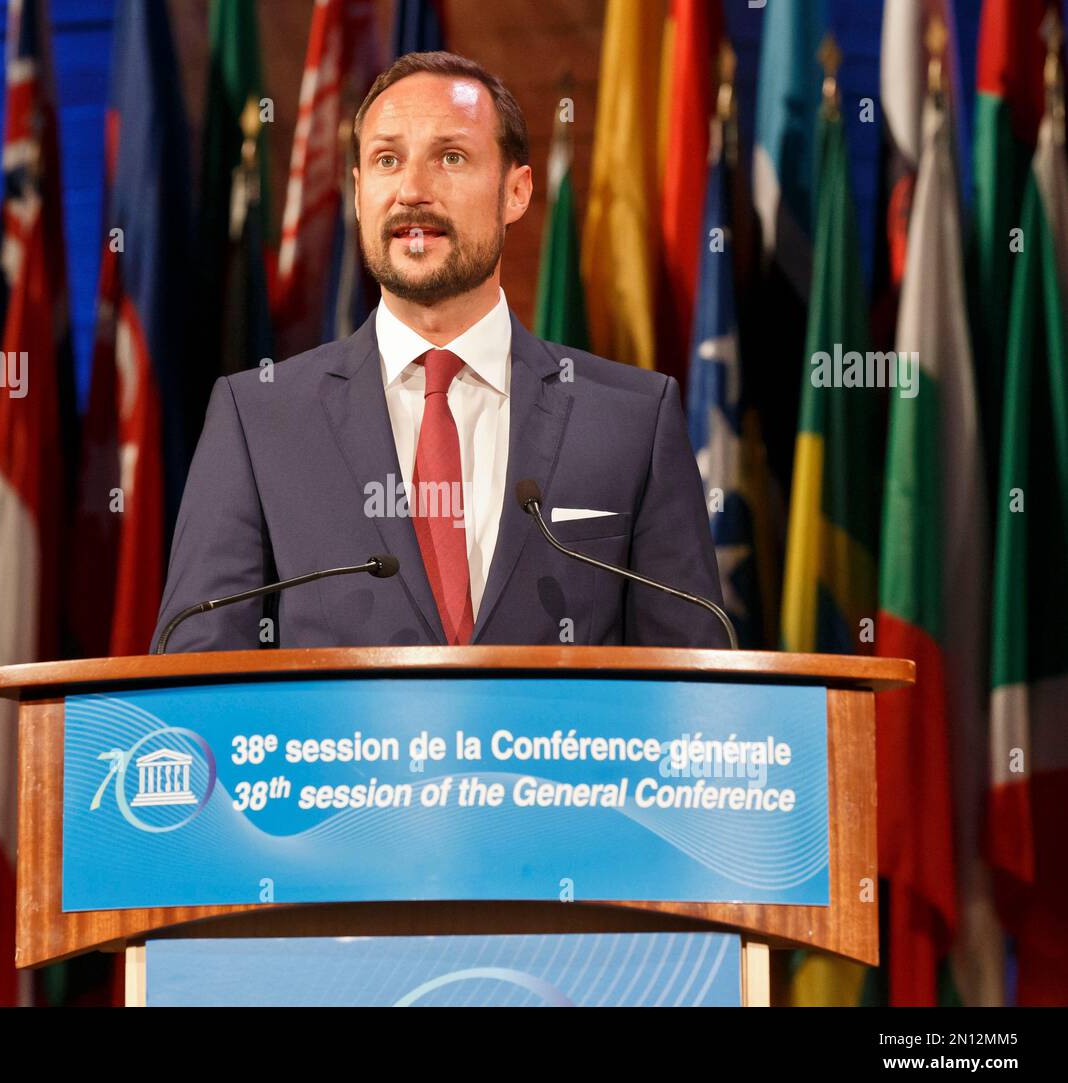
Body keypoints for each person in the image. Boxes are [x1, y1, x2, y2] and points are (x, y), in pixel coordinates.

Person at [153, 51, 724, 652]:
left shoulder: (632, 417)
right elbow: (198, 668)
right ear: (356, 193)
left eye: (450, 157)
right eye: (386, 160)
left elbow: (692, 679)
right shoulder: (259, 417)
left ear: (517, 192)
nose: (411, 191)